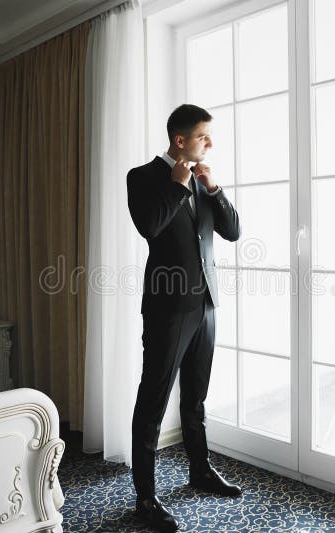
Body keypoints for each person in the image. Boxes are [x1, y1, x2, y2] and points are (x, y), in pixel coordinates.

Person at [126, 104, 242, 532]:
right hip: (168, 309)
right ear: (180, 140)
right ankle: (145, 498)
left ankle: (200, 470)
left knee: (195, 396)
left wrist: (214, 190)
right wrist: (177, 187)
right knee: (153, 401)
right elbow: (150, 227)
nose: (209, 143)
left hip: (206, 305)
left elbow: (232, 231)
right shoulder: (142, 178)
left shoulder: (203, 180)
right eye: (203, 136)